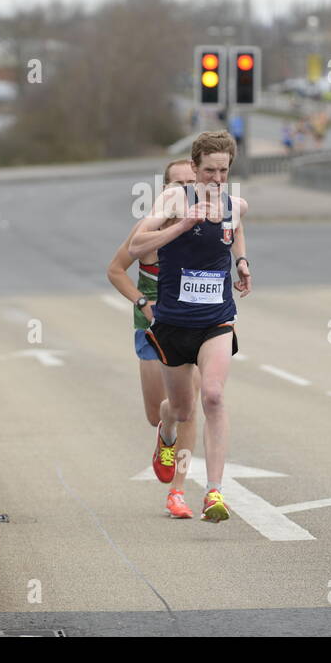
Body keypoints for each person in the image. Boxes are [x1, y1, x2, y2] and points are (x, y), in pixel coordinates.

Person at [129, 131, 251, 523]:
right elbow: (135, 246)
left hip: (216, 318)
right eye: (209, 170)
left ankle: (212, 492)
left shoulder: (236, 205)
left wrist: (243, 264)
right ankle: (165, 434)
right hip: (173, 322)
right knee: (180, 410)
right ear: (195, 168)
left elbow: (236, 234)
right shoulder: (175, 199)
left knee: (212, 396)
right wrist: (181, 226)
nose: (217, 178)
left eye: (223, 171)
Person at [107, 159, 203, 519]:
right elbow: (115, 270)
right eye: (176, 184)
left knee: (190, 405)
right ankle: (166, 431)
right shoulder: (148, 231)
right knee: (159, 412)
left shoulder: (204, 229)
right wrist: (143, 302)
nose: (183, 190)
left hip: (192, 329)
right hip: (152, 331)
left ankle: (177, 492)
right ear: (164, 189)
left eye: (190, 183)